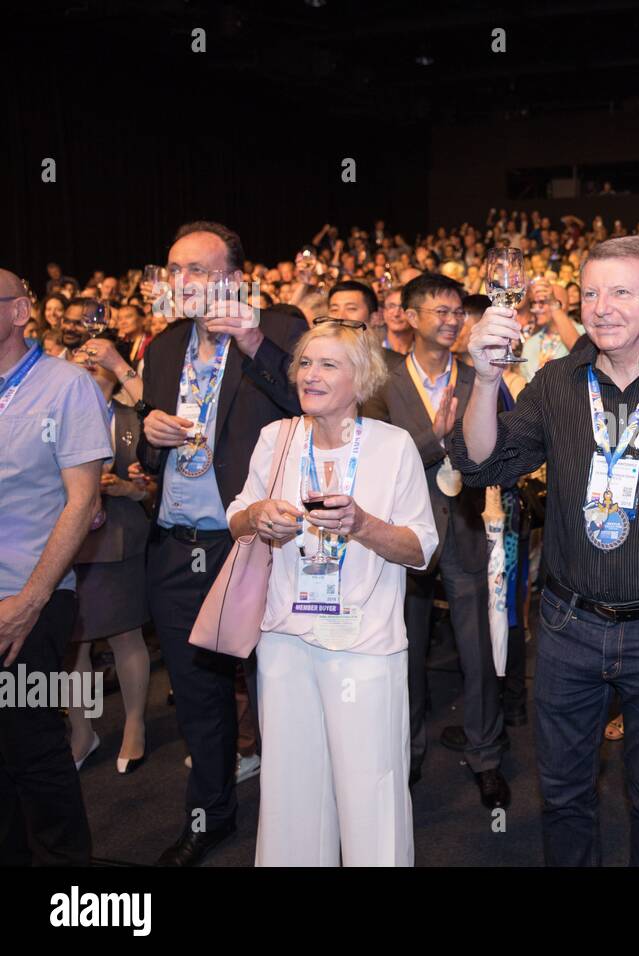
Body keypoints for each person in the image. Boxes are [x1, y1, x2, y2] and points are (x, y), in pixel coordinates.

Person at [451, 228, 639, 866]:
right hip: (567, 626)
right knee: (562, 795)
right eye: (590, 292)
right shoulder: (559, 384)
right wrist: (484, 381)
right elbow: (482, 465)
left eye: (621, 291)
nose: (602, 306)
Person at [227, 323, 438, 866]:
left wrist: (362, 524)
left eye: (328, 365)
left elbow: (420, 548)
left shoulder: (392, 448)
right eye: (305, 363)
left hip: (364, 646)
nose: (310, 375)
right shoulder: (277, 439)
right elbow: (237, 515)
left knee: (372, 793)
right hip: (285, 641)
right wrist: (258, 517)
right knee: (289, 792)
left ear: (362, 378)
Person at [137, 221, 307, 866]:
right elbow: (148, 449)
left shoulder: (282, 326)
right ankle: (209, 819)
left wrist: (255, 340)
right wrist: (146, 434)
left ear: (235, 277)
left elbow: (310, 402)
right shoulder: (163, 345)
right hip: (178, 545)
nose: (182, 282)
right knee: (199, 697)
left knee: (279, 689)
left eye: (199, 270)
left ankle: (293, 826)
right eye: (175, 269)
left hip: (257, 543)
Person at [364, 273, 510, 804]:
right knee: (403, 650)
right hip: (401, 534)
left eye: (456, 313)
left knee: (478, 650)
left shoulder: (482, 377)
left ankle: (486, 755)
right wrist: (440, 436)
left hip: (467, 526)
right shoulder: (381, 385)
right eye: (439, 312)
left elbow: (505, 447)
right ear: (408, 316)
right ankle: (406, 754)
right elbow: (378, 463)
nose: (452, 321)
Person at [0, 268, 111, 865]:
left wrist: (32, 600)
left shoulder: (65, 385)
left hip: (26, 593)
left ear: (20, 312)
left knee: (33, 748)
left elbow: (83, 500)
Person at [66, 350, 156, 775]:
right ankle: (81, 732)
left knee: (125, 635)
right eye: (79, 354)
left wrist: (127, 488)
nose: (86, 360)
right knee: (72, 644)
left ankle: (135, 725)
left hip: (120, 536)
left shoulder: (134, 418)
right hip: (65, 539)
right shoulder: (56, 413)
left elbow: (155, 489)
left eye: (95, 353)